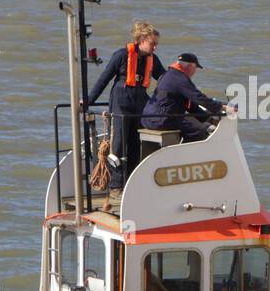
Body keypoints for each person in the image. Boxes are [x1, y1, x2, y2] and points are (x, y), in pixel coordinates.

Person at [87, 20, 166, 191]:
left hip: (140, 104)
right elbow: (104, 78)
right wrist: (88, 101)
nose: (155, 48)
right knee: (118, 145)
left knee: (136, 144)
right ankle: (116, 186)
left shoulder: (153, 60)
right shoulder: (122, 55)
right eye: (153, 43)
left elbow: (165, 79)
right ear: (142, 39)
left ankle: (131, 184)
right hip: (121, 104)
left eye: (156, 44)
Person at [142, 53, 229, 142]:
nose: (195, 72)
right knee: (200, 131)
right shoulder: (180, 78)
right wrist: (220, 106)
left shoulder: (168, 75)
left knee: (192, 123)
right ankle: (180, 154)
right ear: (190, 66)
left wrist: (208, 118)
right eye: (195, 68)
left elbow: (190, 105)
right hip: (161, 120)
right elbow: (198, 97)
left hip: (148, 118)